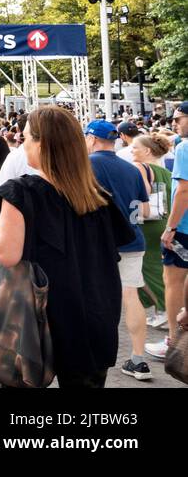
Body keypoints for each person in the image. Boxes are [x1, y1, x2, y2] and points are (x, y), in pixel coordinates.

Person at [0, 107, 136, 387]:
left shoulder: (21, 192)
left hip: (36, 317)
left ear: (43, 143)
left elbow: (6, 254)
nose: (22, 142)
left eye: (26, 136)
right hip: (94, 311)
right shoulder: (96, 195)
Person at [84, 119, 152, 380]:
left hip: (101, 244)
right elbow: (143, 210)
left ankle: (94, 353)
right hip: (133, 240)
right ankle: (138, 358)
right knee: (130, 296)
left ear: (91, 139)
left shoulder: (88, 165)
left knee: (95, 300)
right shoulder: (132, 168)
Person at [148, 101, 188, 361]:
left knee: (172, 281)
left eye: (179, 118)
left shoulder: (184, 148)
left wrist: (170, 227)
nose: (174, 123)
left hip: (184, 227)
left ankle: (173, 340)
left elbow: (184, 190)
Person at [131, 133, 174, 332]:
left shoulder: (141, 167)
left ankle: (164, 310)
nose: (132, 151)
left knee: (147, 270)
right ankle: (163, 310)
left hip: (147, 223)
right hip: (163, 221)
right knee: (157, 268)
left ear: (147, 151)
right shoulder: (164, 170)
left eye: (135, 148)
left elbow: (142, 191)